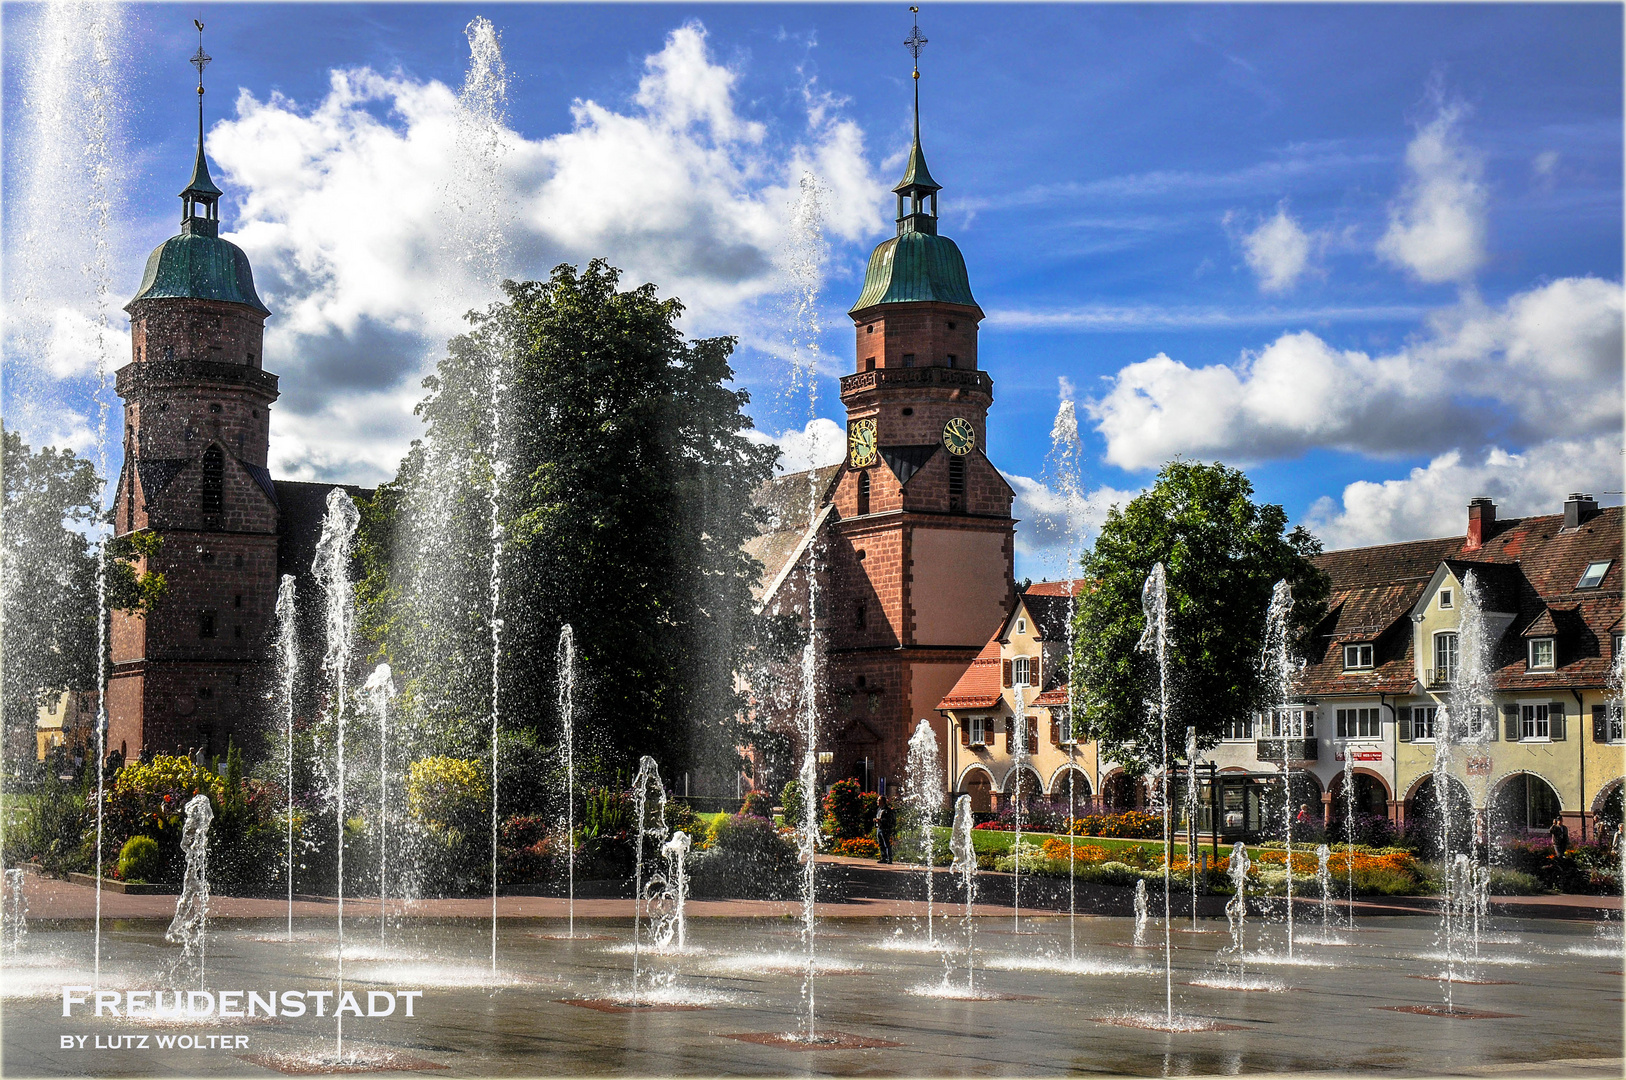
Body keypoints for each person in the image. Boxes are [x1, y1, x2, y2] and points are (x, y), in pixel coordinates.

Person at [875, 796, 896, 864]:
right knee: (881, 844)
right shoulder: (879, 809)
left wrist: (881, 820)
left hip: (885, 828)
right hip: (879, 828)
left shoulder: (887, 810)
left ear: (883, 801)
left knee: (886, 843)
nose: (877, 802)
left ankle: (889, 858)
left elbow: (889, 820)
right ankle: (883, 857)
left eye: (879, 801)